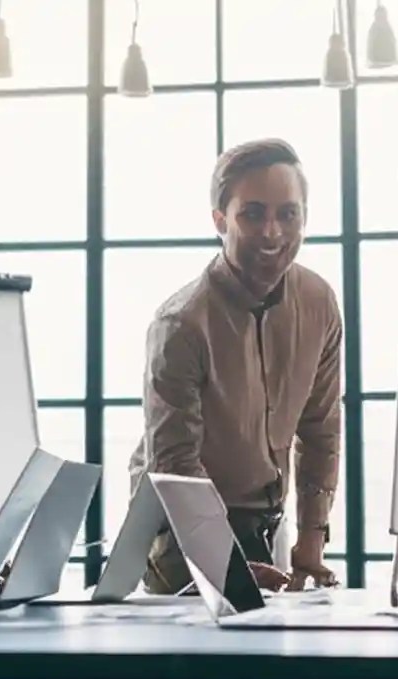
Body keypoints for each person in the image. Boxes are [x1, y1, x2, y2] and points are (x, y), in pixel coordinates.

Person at [128, 138, 342, 594]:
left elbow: (321, 431)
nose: (272, 233)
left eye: (288, 214)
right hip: (179, 535)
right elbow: (176, 466)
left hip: (266, 525)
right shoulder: (180, 324)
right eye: (253, 214)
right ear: (219, 221)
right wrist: (229, 568)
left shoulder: (320, 302)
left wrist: (311, 544)